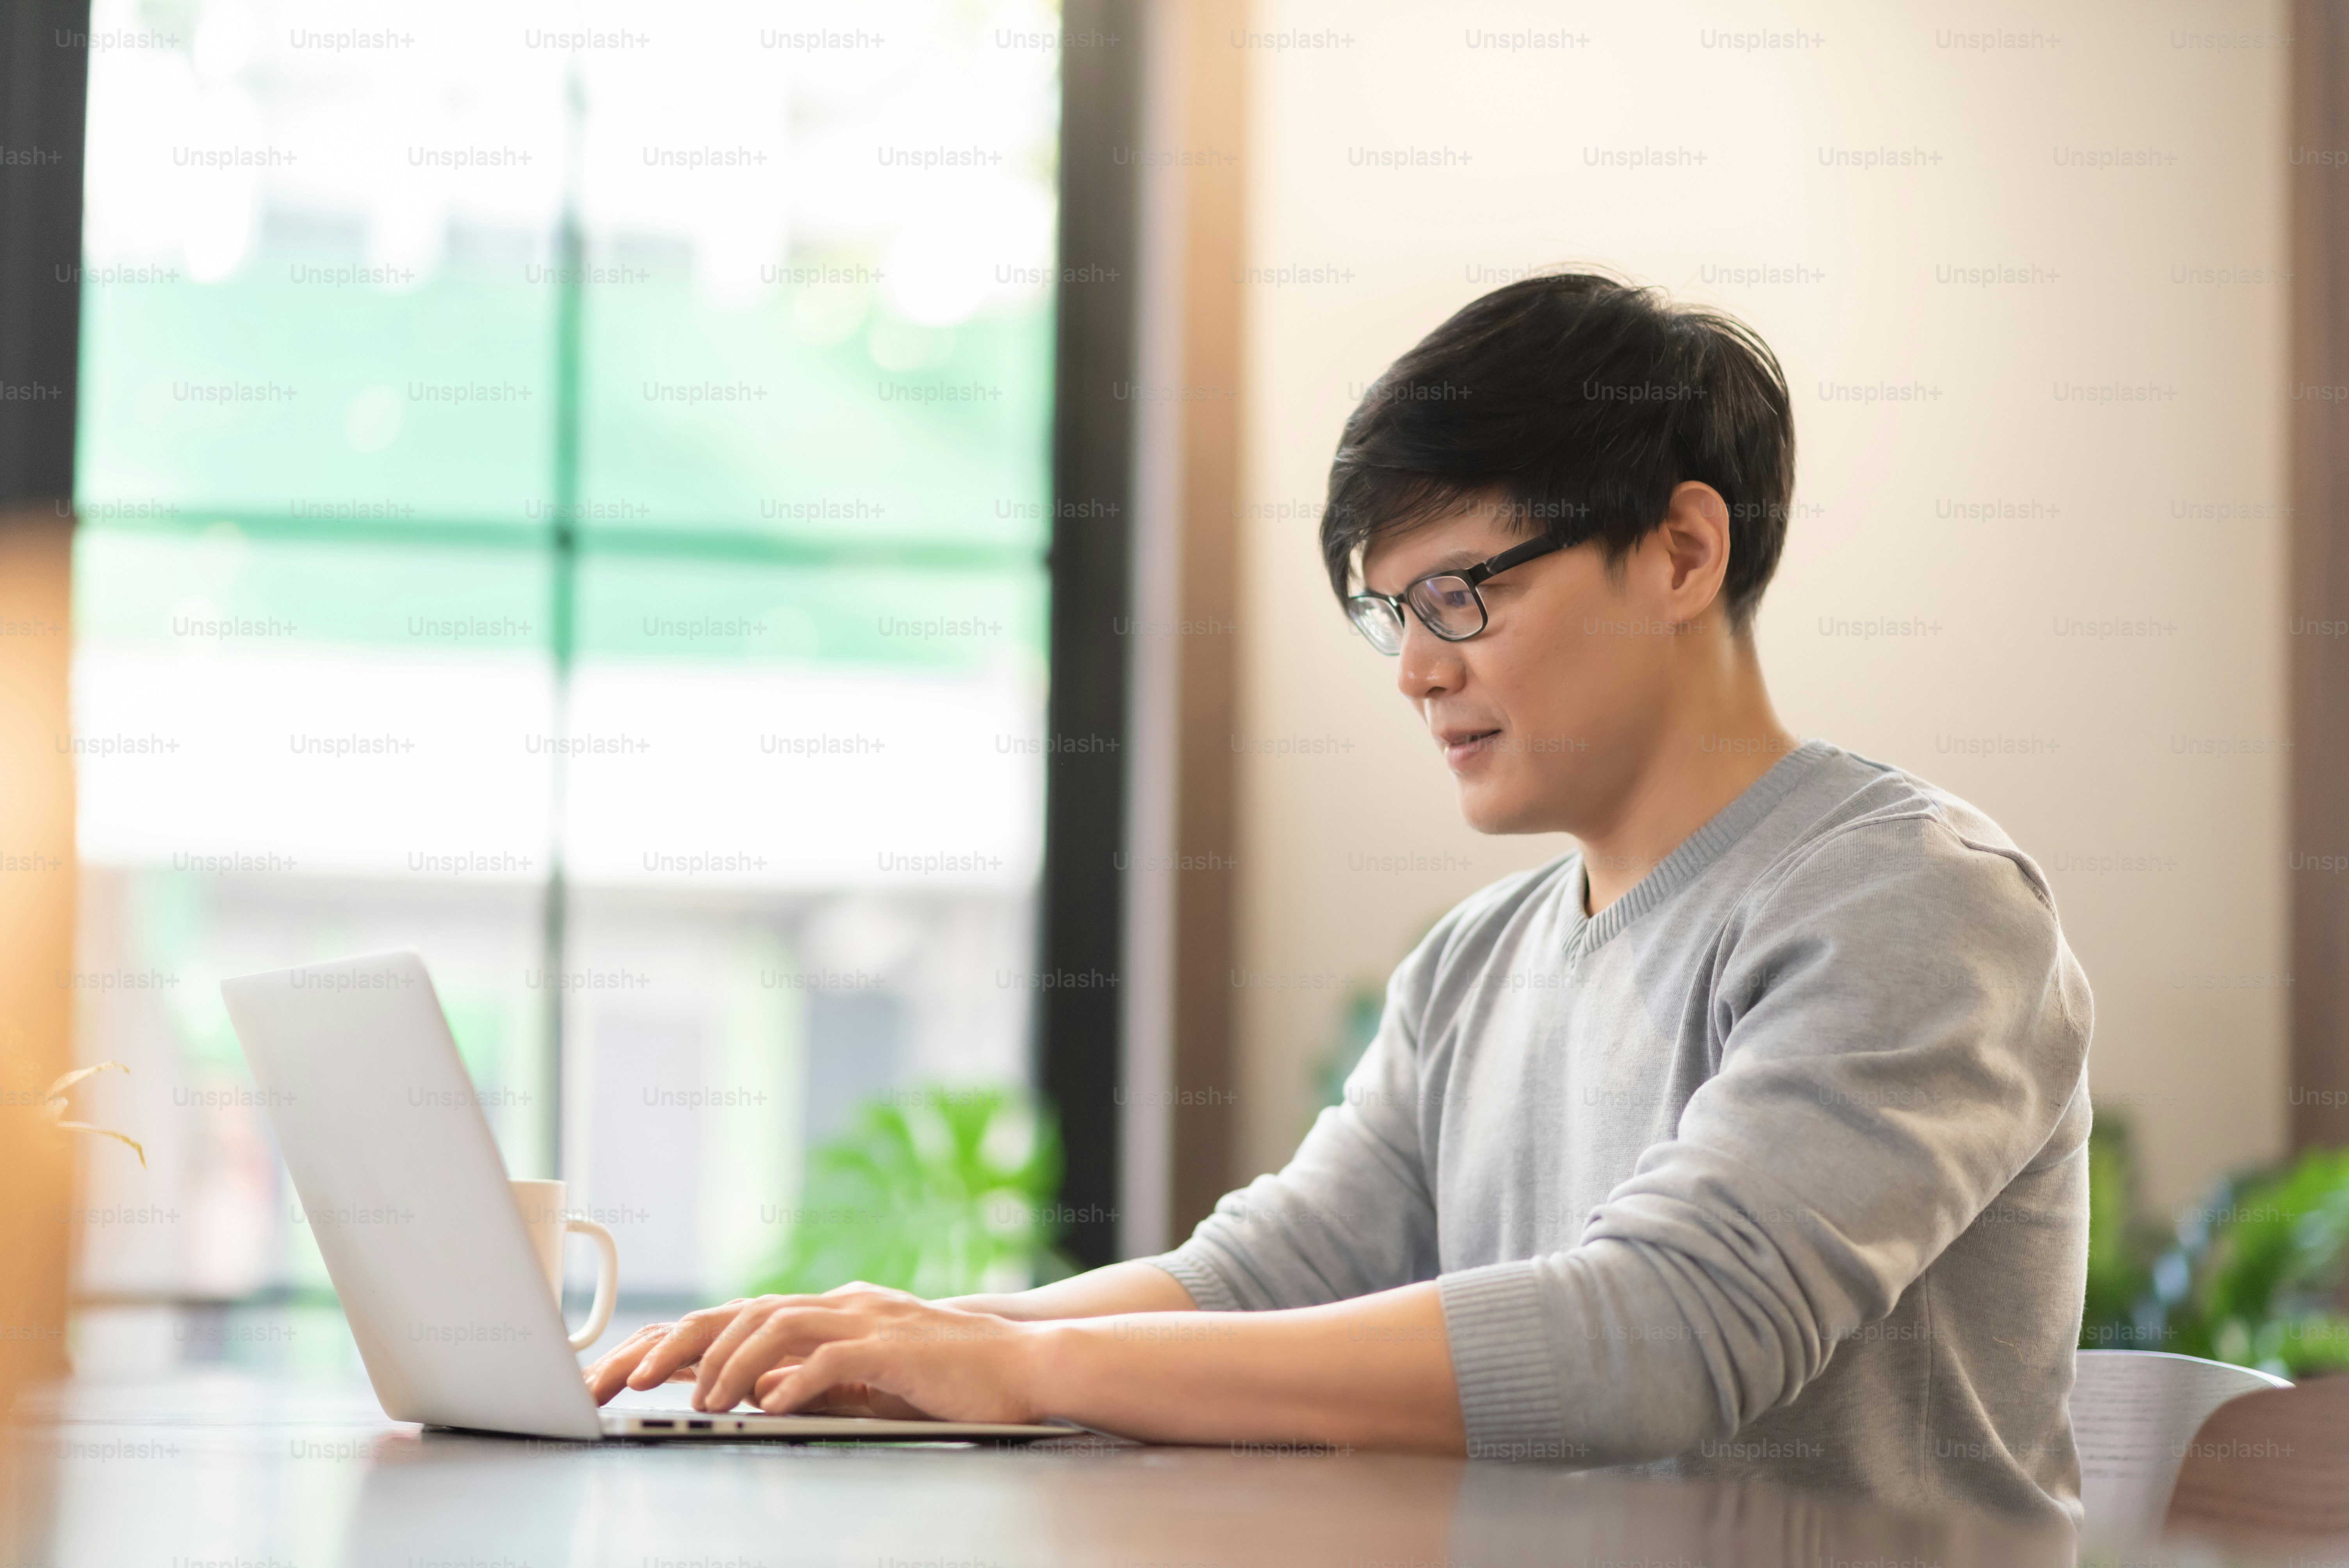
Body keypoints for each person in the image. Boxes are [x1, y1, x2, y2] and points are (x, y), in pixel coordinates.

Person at [585, 272, 2093, 1526]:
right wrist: (902, 1343)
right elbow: (1261, 1279)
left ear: (1683, 551)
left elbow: (1669, 1333)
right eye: (1395, 617)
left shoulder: (1914, 903)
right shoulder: (1472, 965)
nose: (1420, 670)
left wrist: (1024, 1373)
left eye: (1462, 596)